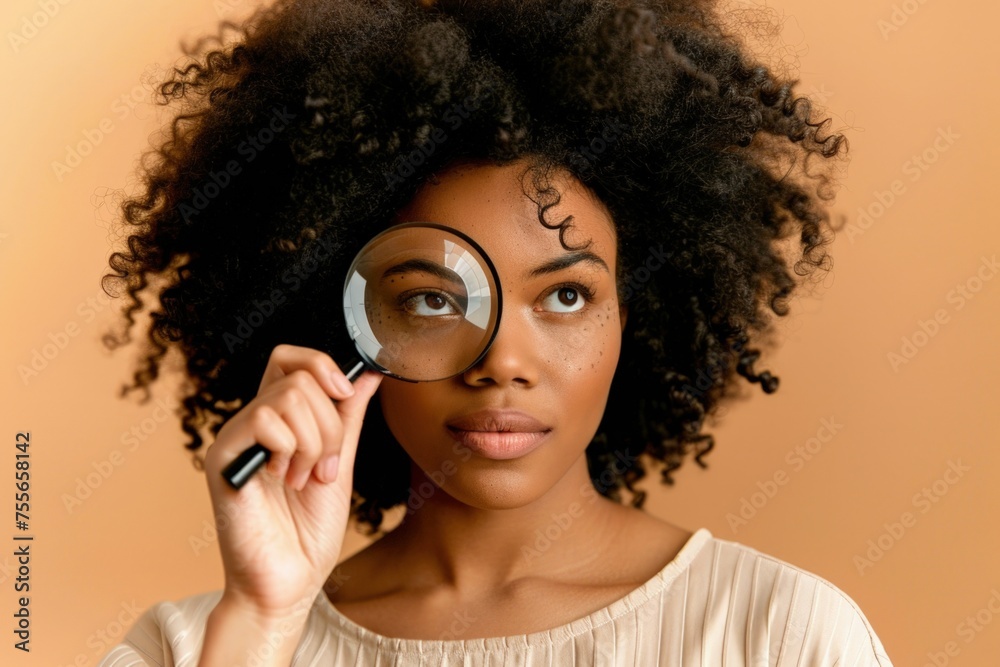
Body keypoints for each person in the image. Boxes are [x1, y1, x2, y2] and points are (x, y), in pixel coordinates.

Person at [96, 0, 893, 664]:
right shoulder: (191, 645)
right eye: (434, 302)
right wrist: (264, 622)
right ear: (343, 319)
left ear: (635, 317)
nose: (504, 362)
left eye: (569, 296)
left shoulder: (779, 632)